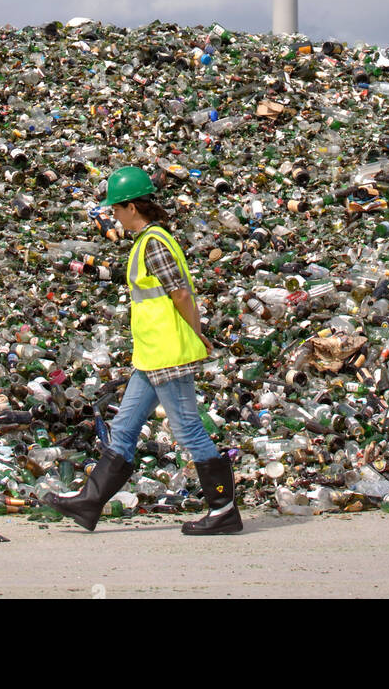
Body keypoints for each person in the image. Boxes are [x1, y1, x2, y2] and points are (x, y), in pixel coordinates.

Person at [43, 165, 242, 535]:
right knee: (123, 429)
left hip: (167, 354)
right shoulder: (145, 242)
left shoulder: (153, 243)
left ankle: (224, 509)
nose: (113, 215)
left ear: (133, 208)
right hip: (150, 356)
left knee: (188, 431)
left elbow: (180, 292)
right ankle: (90, 504)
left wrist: (197, 335)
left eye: (116, 208)